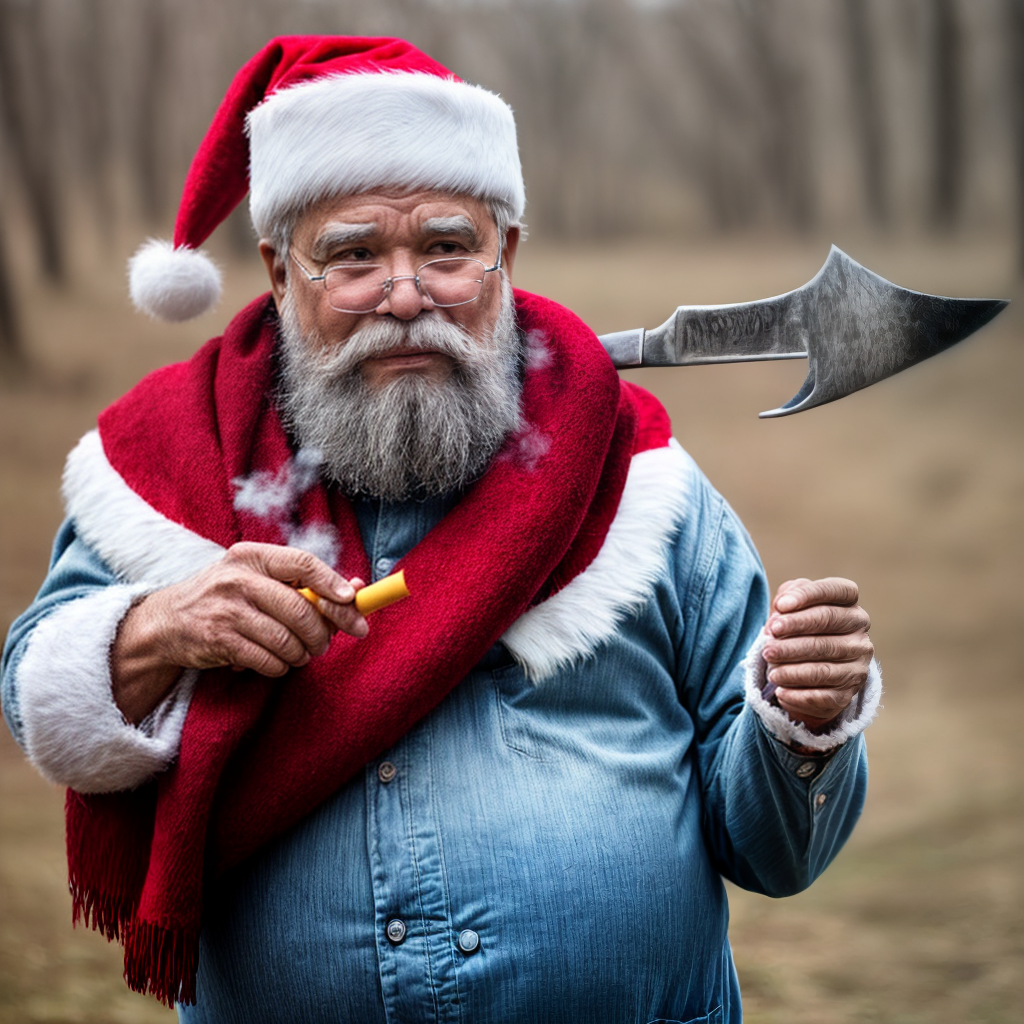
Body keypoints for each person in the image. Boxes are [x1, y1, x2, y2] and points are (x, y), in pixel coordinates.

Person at [0, 36, 879, 1024]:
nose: (406, 295)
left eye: (446, 249)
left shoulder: (637, 480)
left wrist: (803, 720)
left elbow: (774, 851)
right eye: (354, 254)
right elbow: (35, 689)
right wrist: (162, 626)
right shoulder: (170, 459)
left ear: (505, 255)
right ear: (278, 271)